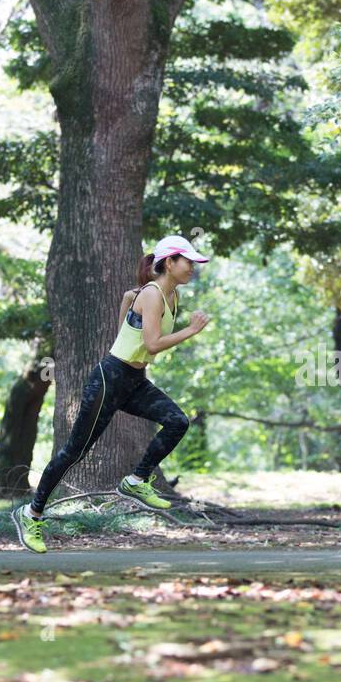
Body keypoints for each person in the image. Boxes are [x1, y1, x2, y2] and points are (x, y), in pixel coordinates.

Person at [12, 234, 211, 553]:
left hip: (134, 379)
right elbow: (152, 345)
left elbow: (128, 320)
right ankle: (31, 513)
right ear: (170, 263)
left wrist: (126, 317)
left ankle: (136, 480)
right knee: (73, 453)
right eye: (188, 262)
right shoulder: (153, 293)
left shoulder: (168, 297)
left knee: (177, 421)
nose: (193, 268)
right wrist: (191, 331)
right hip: (109, 379)